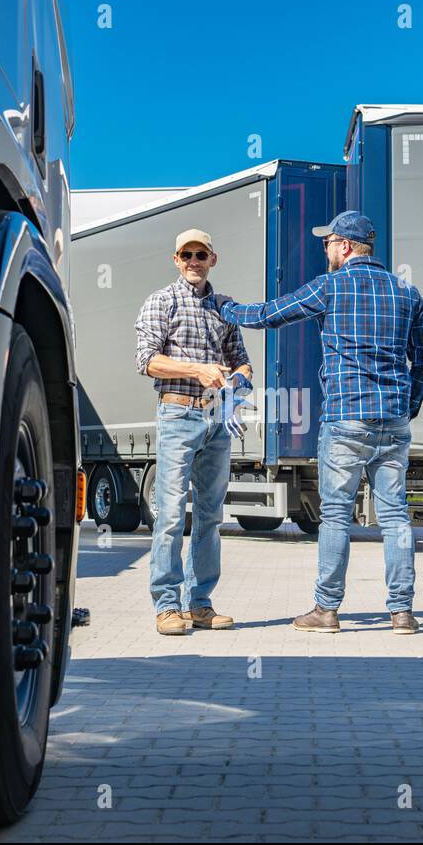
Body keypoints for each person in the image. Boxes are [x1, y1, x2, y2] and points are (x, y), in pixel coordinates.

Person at [208, 211, 423, 635]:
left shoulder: (330, 286)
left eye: (327, 242)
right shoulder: (408, 293)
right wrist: (408, 406)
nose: (324, 249)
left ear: (345, 246)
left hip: (347, 420)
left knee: (334, 516)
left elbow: (271, 314)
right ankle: (402, 613)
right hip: (393, 422)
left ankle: (327, 611)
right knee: (395, 517)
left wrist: (227, 307)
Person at [134, 228, 253, 636]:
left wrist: (237, 389)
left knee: (210, 516)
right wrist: (197, 370)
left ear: (212, 259)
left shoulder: (225, 308)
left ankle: (199, 604)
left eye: (200, 254)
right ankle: (167, 606)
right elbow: (147, 361)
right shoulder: (161, 302)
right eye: (186, 254)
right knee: (169, 516)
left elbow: (242, 362)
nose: (193, 261)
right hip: (177, 416)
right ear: (175, 258)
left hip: (218, 420)